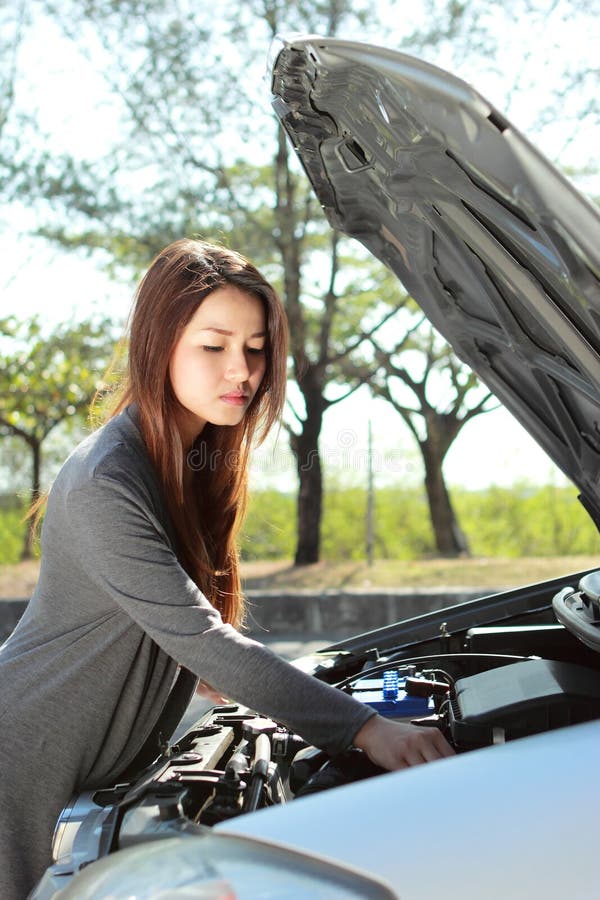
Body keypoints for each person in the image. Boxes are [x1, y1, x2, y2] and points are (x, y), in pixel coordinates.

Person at [0, 238, 454, 898]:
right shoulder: (106, 479)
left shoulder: (191, 464)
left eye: (256, 347)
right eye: (213, 346)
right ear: (160, 345)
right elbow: (202, 636)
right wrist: (364, 727)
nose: (240, 369)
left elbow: (187, 635)